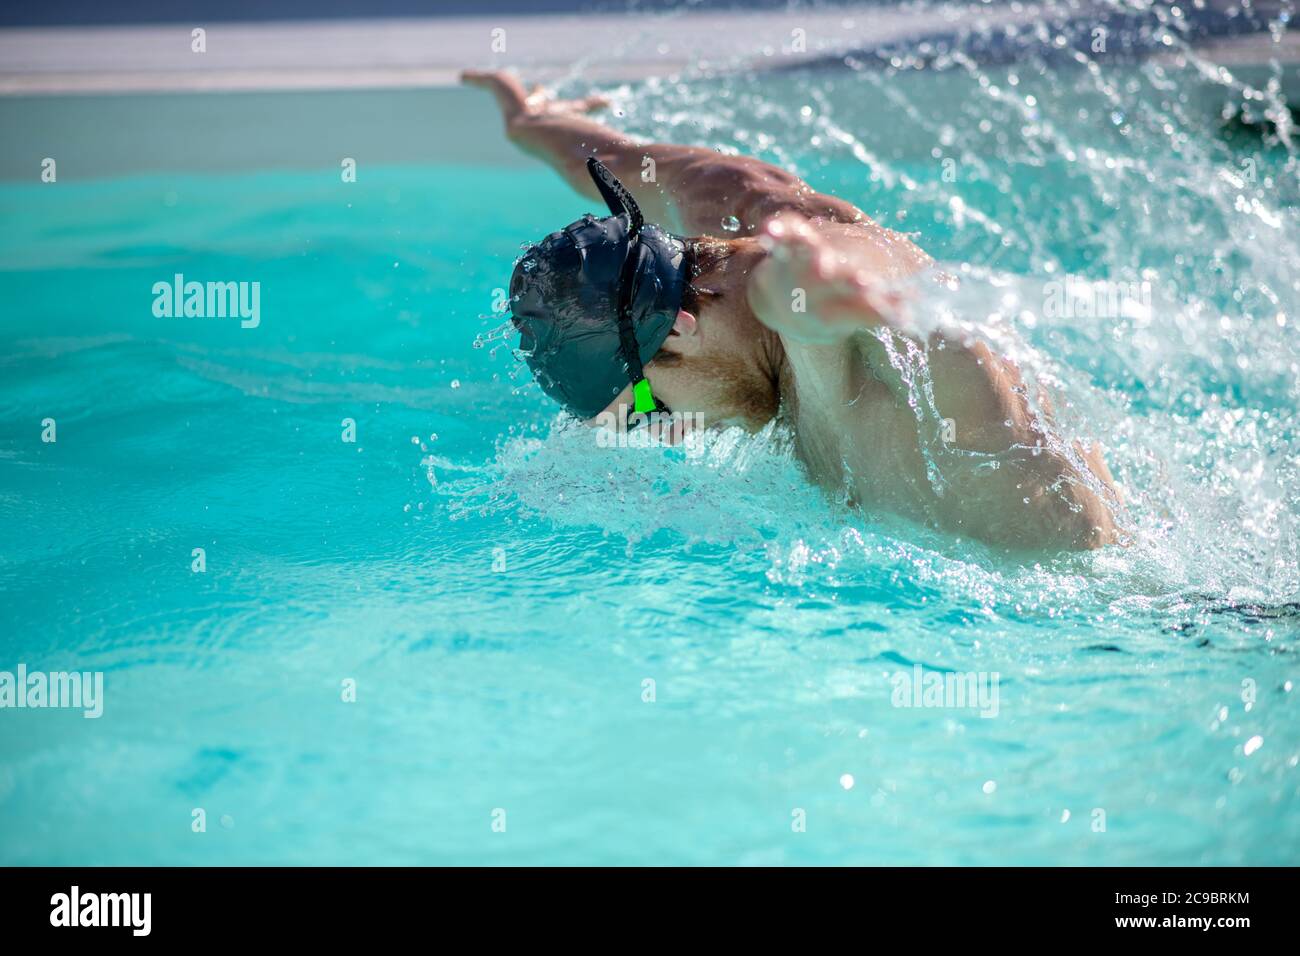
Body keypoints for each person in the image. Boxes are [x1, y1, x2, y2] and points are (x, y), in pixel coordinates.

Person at [464, 70, 1122, 551]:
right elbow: (613, 162)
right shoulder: (727, 214)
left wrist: (824, 287)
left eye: (647, 412)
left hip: (1145, 623)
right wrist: (533, 124)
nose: (671, 436)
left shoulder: (817, 325)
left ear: (679, 331)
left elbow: (801, 308)